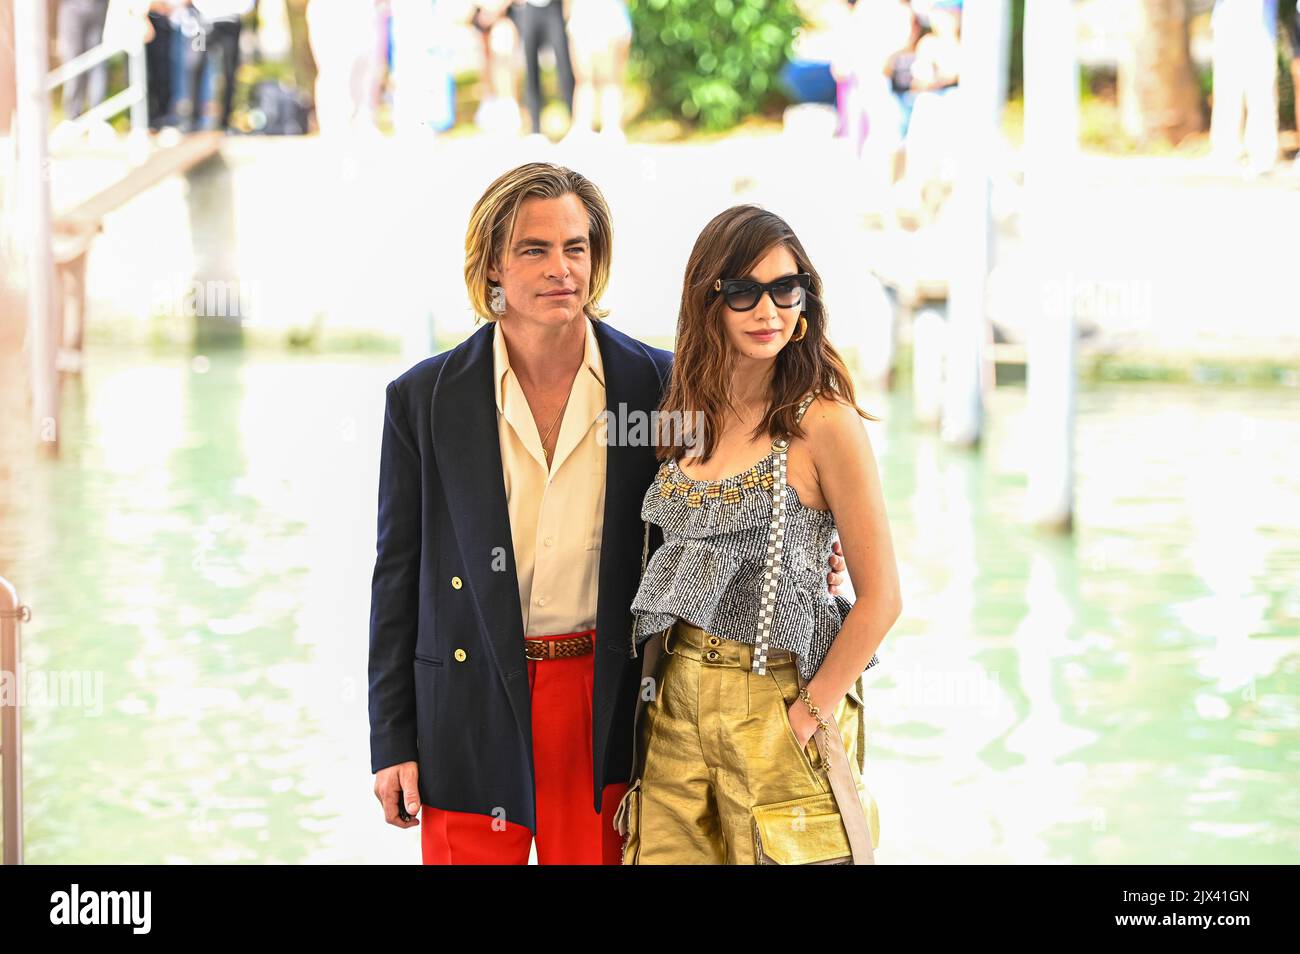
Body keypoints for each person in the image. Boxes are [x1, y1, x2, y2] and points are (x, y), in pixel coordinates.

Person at [368, 163, 849, 864]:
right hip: (467, 705)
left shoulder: (660, 385)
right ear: (493, 265)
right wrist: (391, 739)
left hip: (607, 701)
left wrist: (810, 551)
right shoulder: (423, 399)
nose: (560, 268)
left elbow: (717, 510)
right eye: (534, 249)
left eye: (576, 247)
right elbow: (396, 577)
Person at [620, 205, 901, 864]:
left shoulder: (823, 422)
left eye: (785, 288)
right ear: (708, 300)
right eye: (744, 291)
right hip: (674, 700)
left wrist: (806, 717)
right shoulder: (685, 413)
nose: (768, 309)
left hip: (777, 697)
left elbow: (882, 599)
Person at [1210, 0, 1281, 175]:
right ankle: (1226, 154)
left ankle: (1262, 155)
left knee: (1261, 92)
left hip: (1259, 20)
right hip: (1228, 17)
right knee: (1227, 92)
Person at [506, 0, 576, 137]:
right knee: (531, 72)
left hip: (554, 8)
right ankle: (535, 129)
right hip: (530, 10)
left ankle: (574, 120)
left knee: (565, 70)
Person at [183, 0, 254, 131]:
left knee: (229, 71)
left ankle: (225, 121)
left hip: (230, 23)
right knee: (194, 65)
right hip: (201, 24)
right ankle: (192, 118)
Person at [565, 0, 632, 139]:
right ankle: (582, 128)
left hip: (611, 15)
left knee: (610, 79)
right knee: (583, 79)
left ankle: (612, 129)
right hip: (582, 16)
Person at [58, 0, 112, 121]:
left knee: (74, 60)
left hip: (74, 5)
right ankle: (97, 116)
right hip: (97, 5)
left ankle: (73, 116)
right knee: (96, 60)